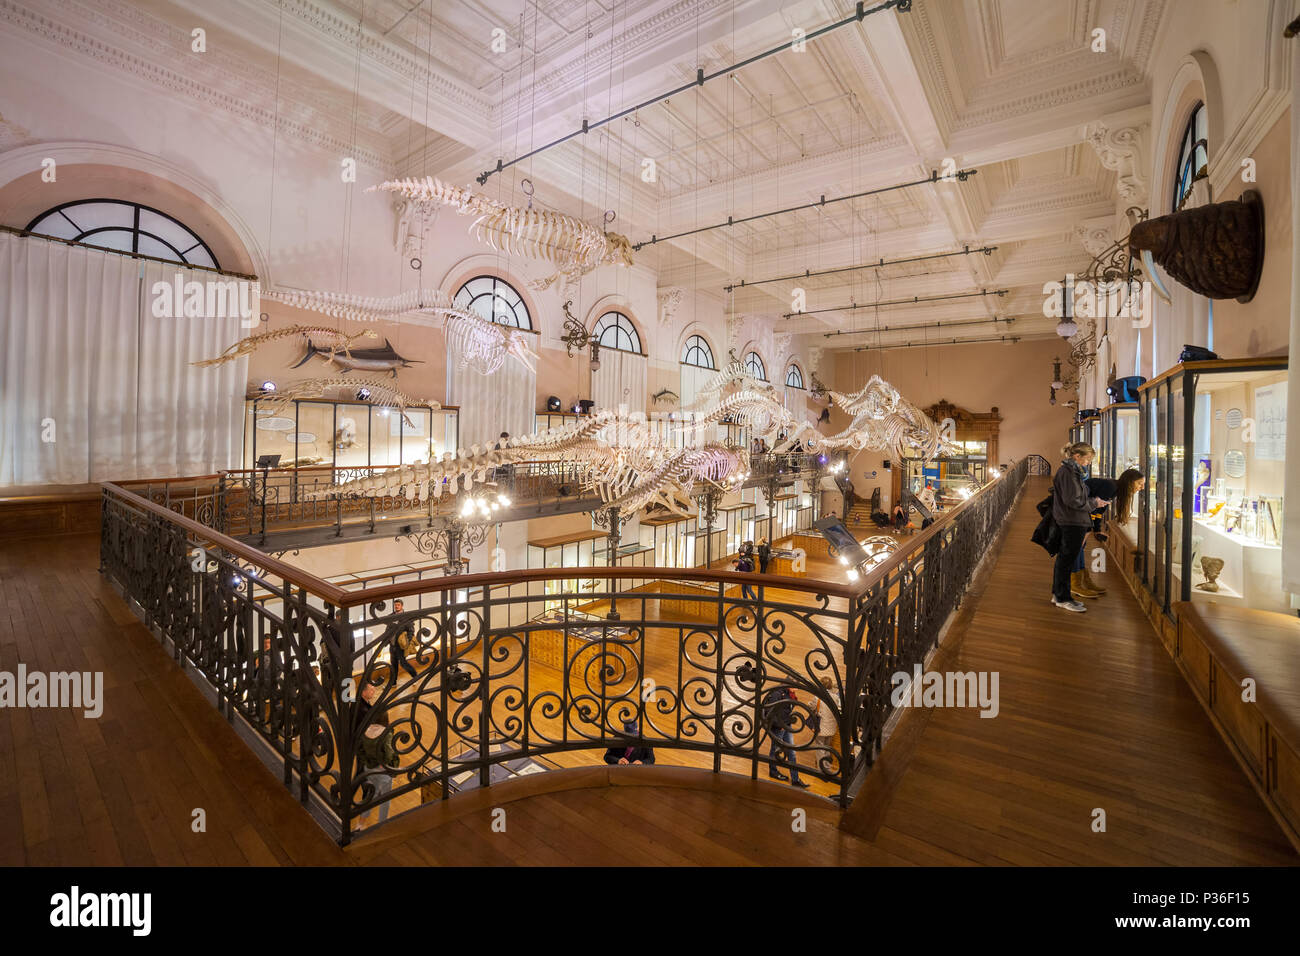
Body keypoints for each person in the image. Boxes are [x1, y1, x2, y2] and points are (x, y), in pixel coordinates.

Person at [1051, 442, 1102, 612]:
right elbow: (1073, 500)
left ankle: (1059, 594)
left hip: (1073, 520)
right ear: (1076, 456)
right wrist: (1095, 503)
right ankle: (1062, 598)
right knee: (1066, 560)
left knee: (1066, 559)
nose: (1088, 463)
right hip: (1071, 521)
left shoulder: (1073, 471)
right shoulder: (1068, 472)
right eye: (1087, 459)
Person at [356, 681, 399, 825]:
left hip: (369, 768)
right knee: (385, 800)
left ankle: (360, 823)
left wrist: (367, 762)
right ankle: (382, 824)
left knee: (369, 795)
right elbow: (388, 753)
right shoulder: (386, 733)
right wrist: (393, 766)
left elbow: (361, 750)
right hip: (382, 769)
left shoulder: (365, 731)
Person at [763, 685, 809, 788]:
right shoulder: (777, 693)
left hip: (786, 725)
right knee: (775, 750)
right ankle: (773, 772)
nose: (797, 689)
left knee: (791, 751)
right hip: (779, 727)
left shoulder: (790, 693)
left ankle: (795, 779)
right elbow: (769, 712)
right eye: (796, 687)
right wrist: (780, 725)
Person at [388, 598, 419, 680]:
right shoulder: (390, 616)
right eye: (395, 605)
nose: (396, 606)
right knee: (393, 664)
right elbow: (387, 630)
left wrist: (407, 642)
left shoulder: (407, 617)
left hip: (401, 645)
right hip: (392, 644)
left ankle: (415, 676)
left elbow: (411, 631)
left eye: (398, 605)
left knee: (403, 663)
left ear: (402, 606)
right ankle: (393, 683)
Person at [812, 676, 840, 761]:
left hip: (821, 728)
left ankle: (822, 769)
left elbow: (812, 707)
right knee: (827, 747)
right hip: (831, 727)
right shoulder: (835, 697)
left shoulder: (817, 698)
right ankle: (827, 766)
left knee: (820, 748)